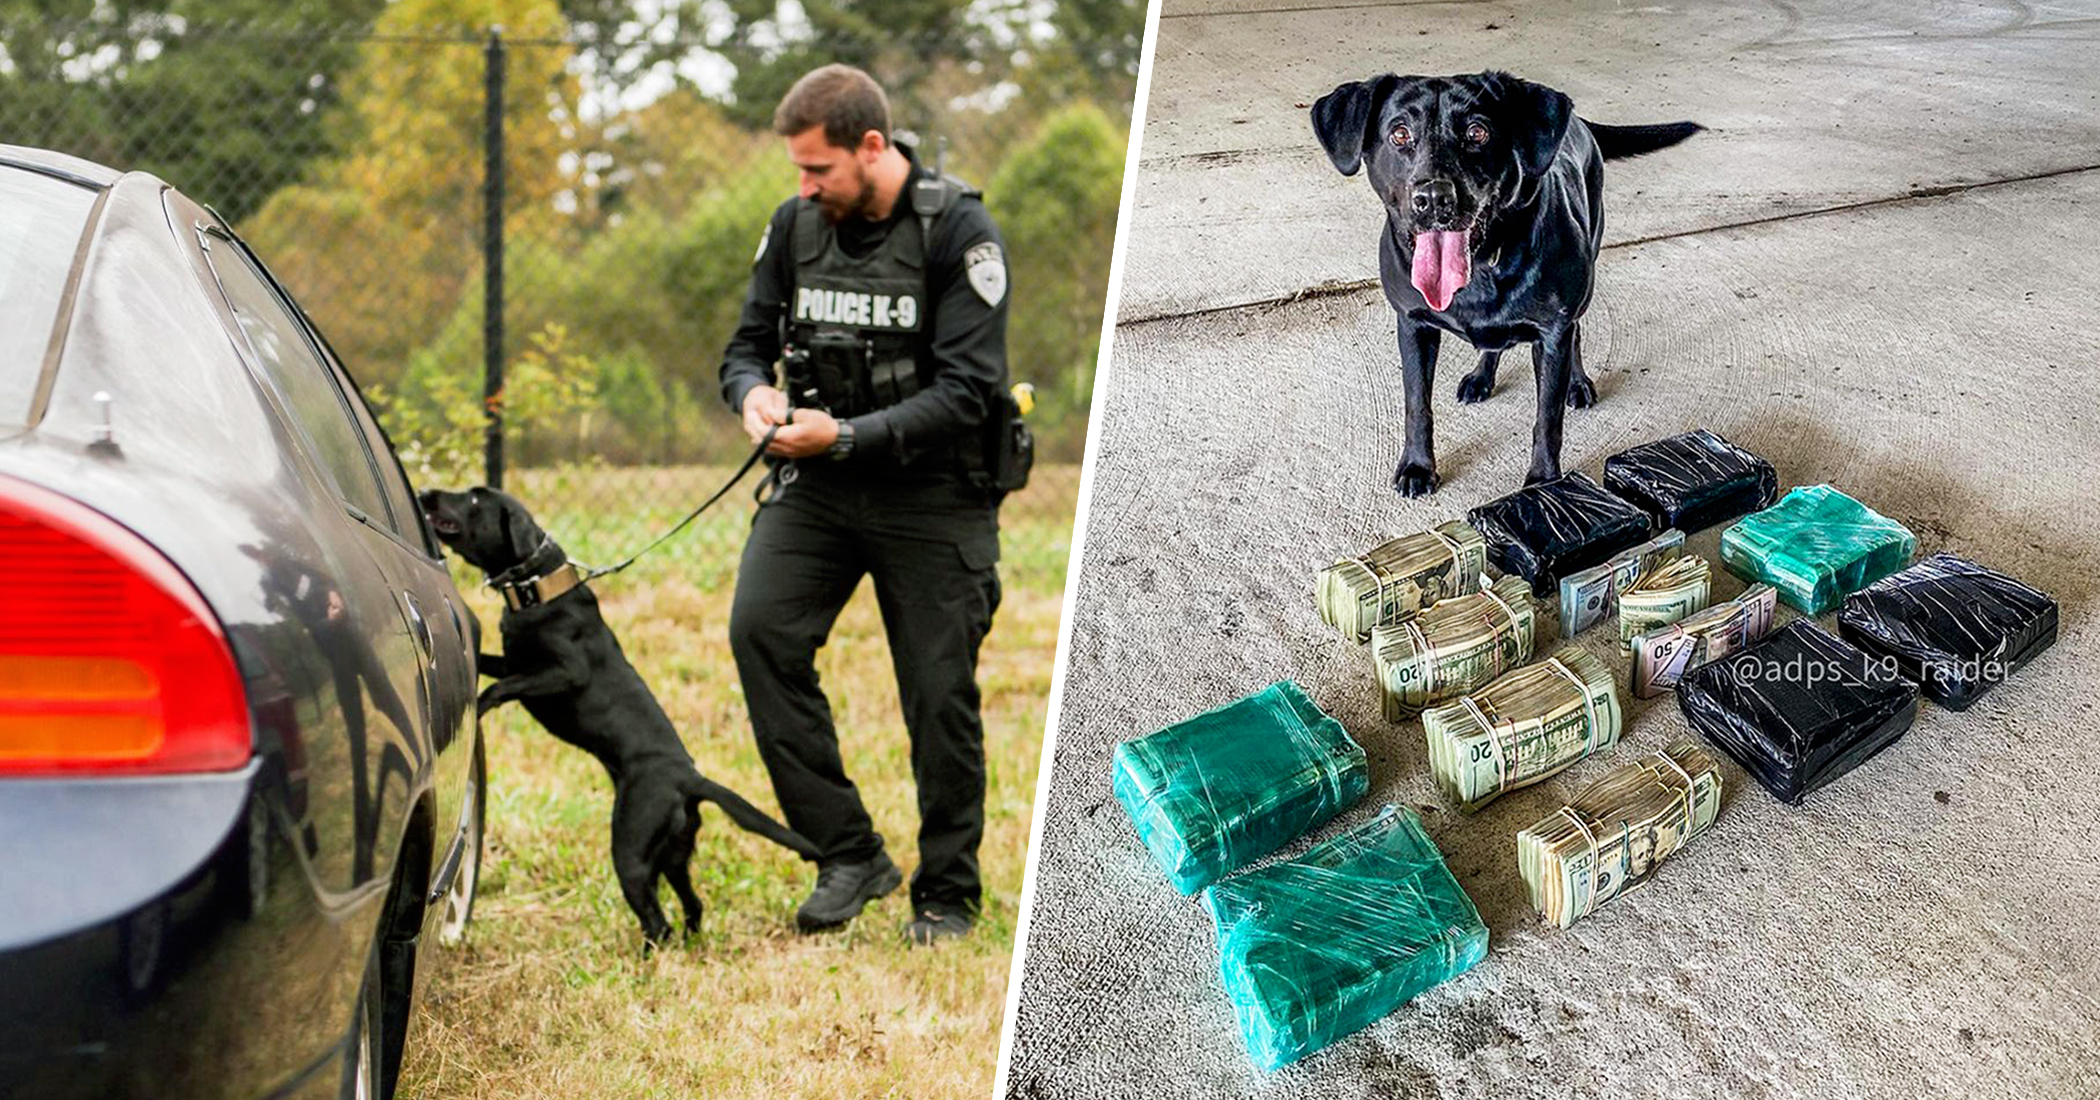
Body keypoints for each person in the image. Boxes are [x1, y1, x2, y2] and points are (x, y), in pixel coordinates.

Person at [719, 63, 1012, 944]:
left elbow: (969, 390)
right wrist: (752, 400)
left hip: (933, 494)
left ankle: (947, 893)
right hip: (820, 488)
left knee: (937, 692)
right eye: (799, 172)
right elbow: (742, 347)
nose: (805, 187)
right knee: (760, 631)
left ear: (873, 148)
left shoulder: (959, 231)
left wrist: (844, 436)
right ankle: (848, 851)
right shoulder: (794, 227)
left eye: (819, 170)